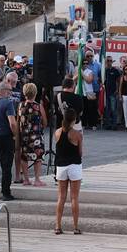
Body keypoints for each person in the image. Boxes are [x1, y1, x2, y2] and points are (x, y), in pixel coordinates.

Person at [53, 107, 82, 235]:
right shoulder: (77, 134)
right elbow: (80, 152)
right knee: (74, 197)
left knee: (61, 197)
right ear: (74, 120)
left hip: (61, 166)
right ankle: (75, 227)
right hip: (74, 165)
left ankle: (58, 226)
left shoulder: (57, 132)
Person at [17, 82, 46, 186]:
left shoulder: (21, 105)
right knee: (38, 156)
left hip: (24, 135)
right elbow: (45, 121)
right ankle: (37, 179)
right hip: (36, 135)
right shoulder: (38, 106)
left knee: (24, 157)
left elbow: (18, 120)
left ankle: (26, 179)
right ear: (35, 93)